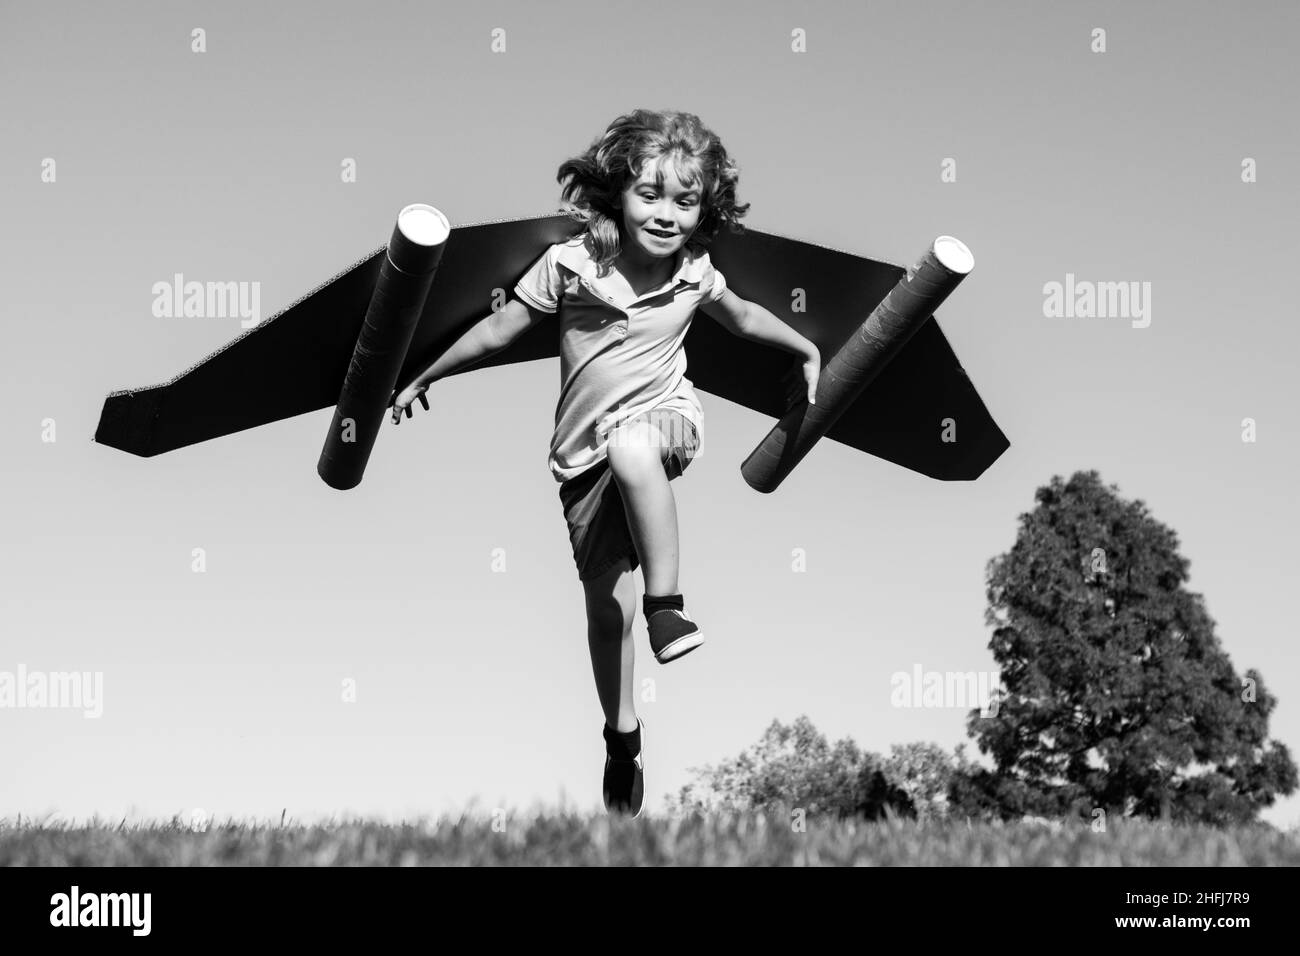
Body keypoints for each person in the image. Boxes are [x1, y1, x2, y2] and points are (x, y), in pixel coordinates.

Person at [390, 109, 820, 817]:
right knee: (600, 612)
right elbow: (501, 326)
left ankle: (668, 608)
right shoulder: (574, 264)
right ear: (617, 193)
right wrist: (428, 373)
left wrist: (805, 349)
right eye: (650, 195)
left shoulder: (693, 274)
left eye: (685, 202)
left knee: (634, 445)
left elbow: (743, 317)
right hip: (578, 460)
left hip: (665, 424)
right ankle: (623, 739)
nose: (666, 214)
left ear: (703, 211)